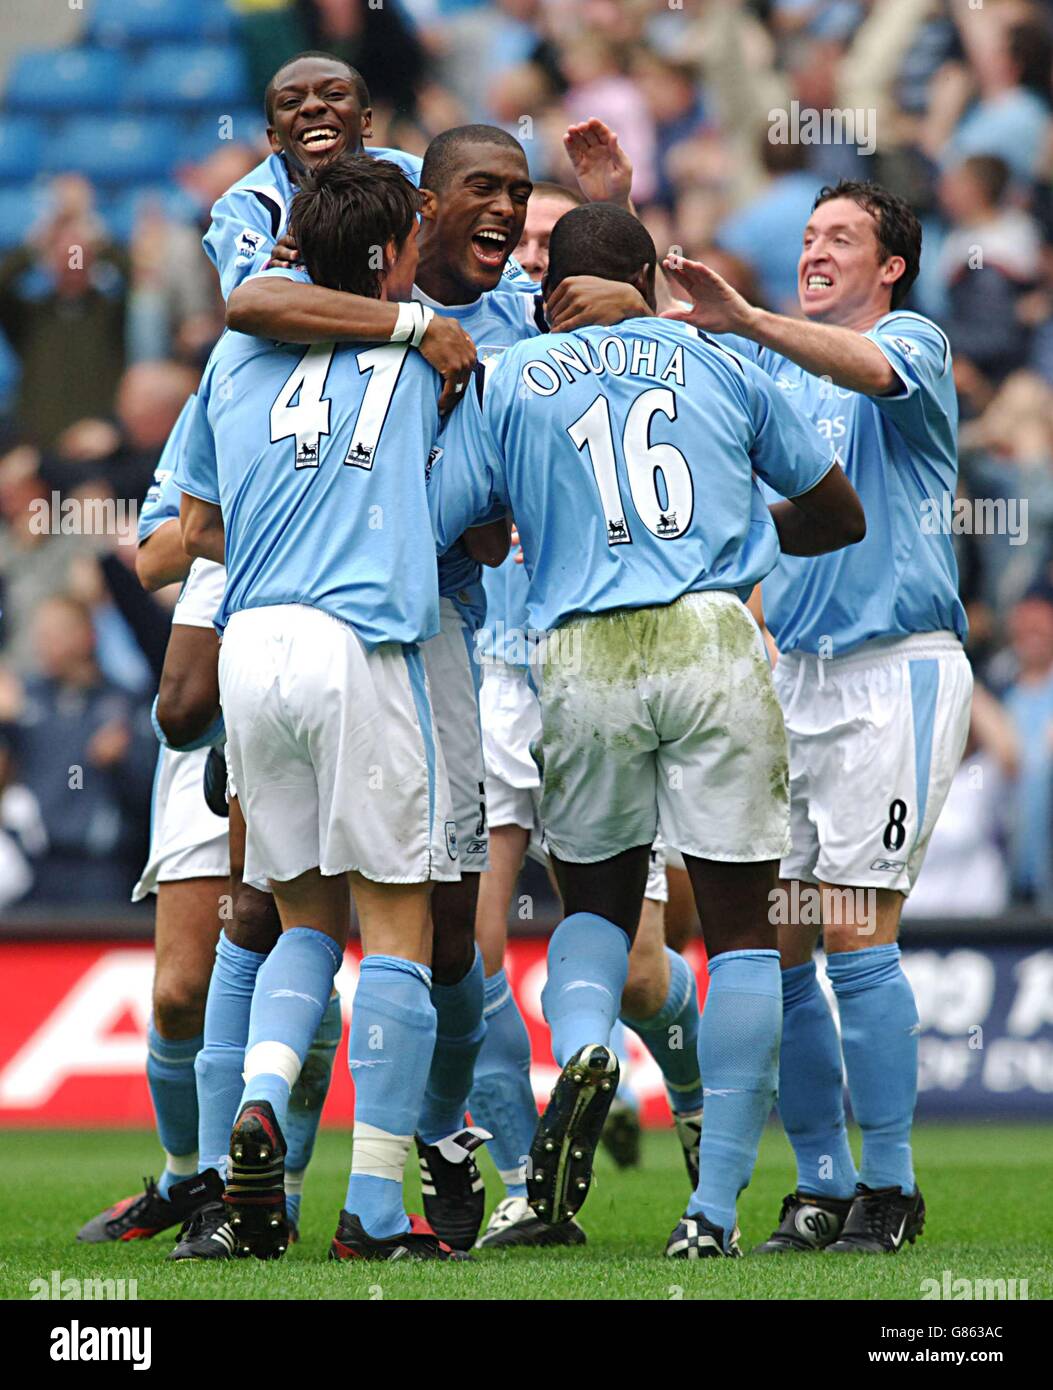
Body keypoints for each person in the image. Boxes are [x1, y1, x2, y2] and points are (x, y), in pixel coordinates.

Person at [429, 202, 865, 1256]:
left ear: (554, 285)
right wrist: (741, 523)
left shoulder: (513, 375)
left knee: (596, 907)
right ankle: (711, 1214)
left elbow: (457, 524)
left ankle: (581, 1051)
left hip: (579, 652)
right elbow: (838, 511)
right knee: (741, 932)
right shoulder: (718, 359)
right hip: (714, 637)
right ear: (648, 276)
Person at [662, 179, 973, 1253]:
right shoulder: (762, 367)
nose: (816, 250)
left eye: (841, 237)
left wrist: (746, 318)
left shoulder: (912, 342)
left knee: (852, 929)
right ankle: (822, 1181)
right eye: (805, 236)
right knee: (780, 937)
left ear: (891, 264)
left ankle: (891, 1185)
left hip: (896, 671)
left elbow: (870, 371)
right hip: (790, 677)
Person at [176, 154, 468, 1264]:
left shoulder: (235, 357)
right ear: (391, 257)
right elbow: (468, 516)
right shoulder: (429, 348)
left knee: (303, 917)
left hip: (252, 644)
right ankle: (377, 1210)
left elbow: (197, 520)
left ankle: (258, 1100)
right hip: (361, 646)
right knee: (395, 921)